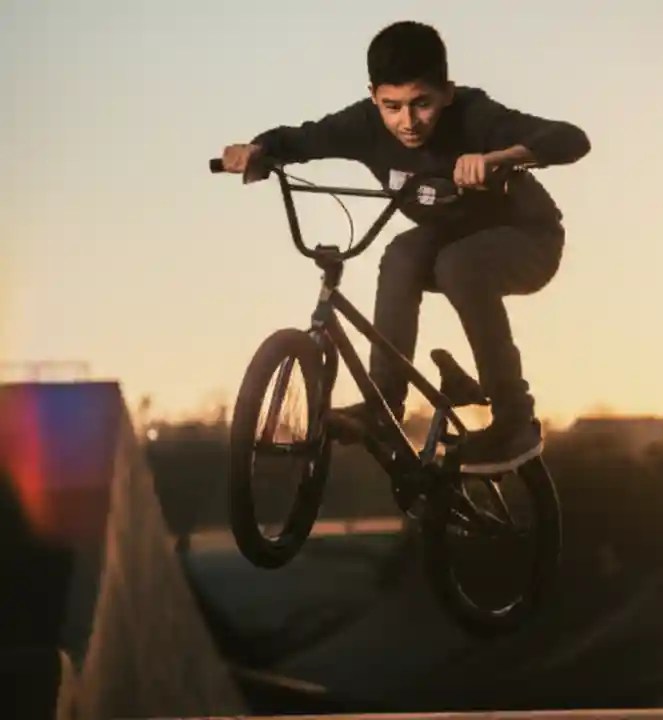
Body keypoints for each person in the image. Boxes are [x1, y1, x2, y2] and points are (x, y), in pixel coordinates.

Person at [219, 20, 589, 474]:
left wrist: (499, 158)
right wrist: (255, 150)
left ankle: (515, 419)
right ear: (374, 96)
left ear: (447, 93)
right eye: (391, 106)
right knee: (400, 254)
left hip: (528, 238)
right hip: (449, 239)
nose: (407, 123)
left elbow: (571, 139)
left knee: (458, 264)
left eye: (422, 104)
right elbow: (300, 138)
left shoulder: (474, 114)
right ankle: (384, 406)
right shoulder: (365, 124)